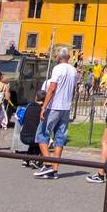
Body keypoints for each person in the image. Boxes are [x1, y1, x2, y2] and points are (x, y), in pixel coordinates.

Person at [33, 46, 77, 179]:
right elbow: (74, 89)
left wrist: (44, 106)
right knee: (60, 137)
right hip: (66, 107)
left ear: (58, 57)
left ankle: (47, 165)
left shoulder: (57, 68)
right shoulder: (73, 70)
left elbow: (52, 88)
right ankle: (55, 170)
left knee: (42, 134)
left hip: (54, 106)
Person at [18, 90, 44, 167]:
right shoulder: (42, 109)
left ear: (36, 97)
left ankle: (26, 160)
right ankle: (35, 158)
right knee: (40, 142)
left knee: (32, 144)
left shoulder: (29, 106)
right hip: (34, 137)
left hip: (23, 135)